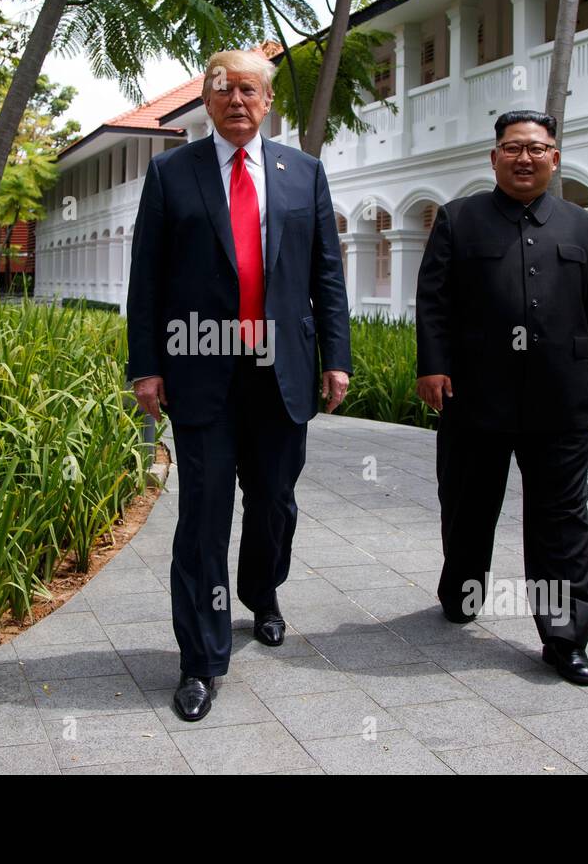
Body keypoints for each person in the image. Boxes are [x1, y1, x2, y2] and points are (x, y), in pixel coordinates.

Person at [125, 48, 352, 721]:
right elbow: (147, 280)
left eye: (249, 90)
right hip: (200, 372)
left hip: (280, 370)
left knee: (275, 502)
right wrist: (146, 365)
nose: (237, 101)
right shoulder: (171, 174)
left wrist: (335, 356)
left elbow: (327, 274)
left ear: (268, 100)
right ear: (207, 97)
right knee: (202, 517)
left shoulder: (303, 175)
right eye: (223, 90)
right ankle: (200, 661)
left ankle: (262, 590)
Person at [414, 110, 588, 685]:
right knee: (466, 504)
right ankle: (462, 589)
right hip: (475, 396)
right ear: (494, 158)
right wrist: (431, 367)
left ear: (555, 158)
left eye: (537, 148)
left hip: (560, 399)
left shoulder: (580, 224)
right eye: (513, 148)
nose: (525, 158)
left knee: (561, 521)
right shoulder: (459, 220)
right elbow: (433, 301)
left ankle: (564, 637)